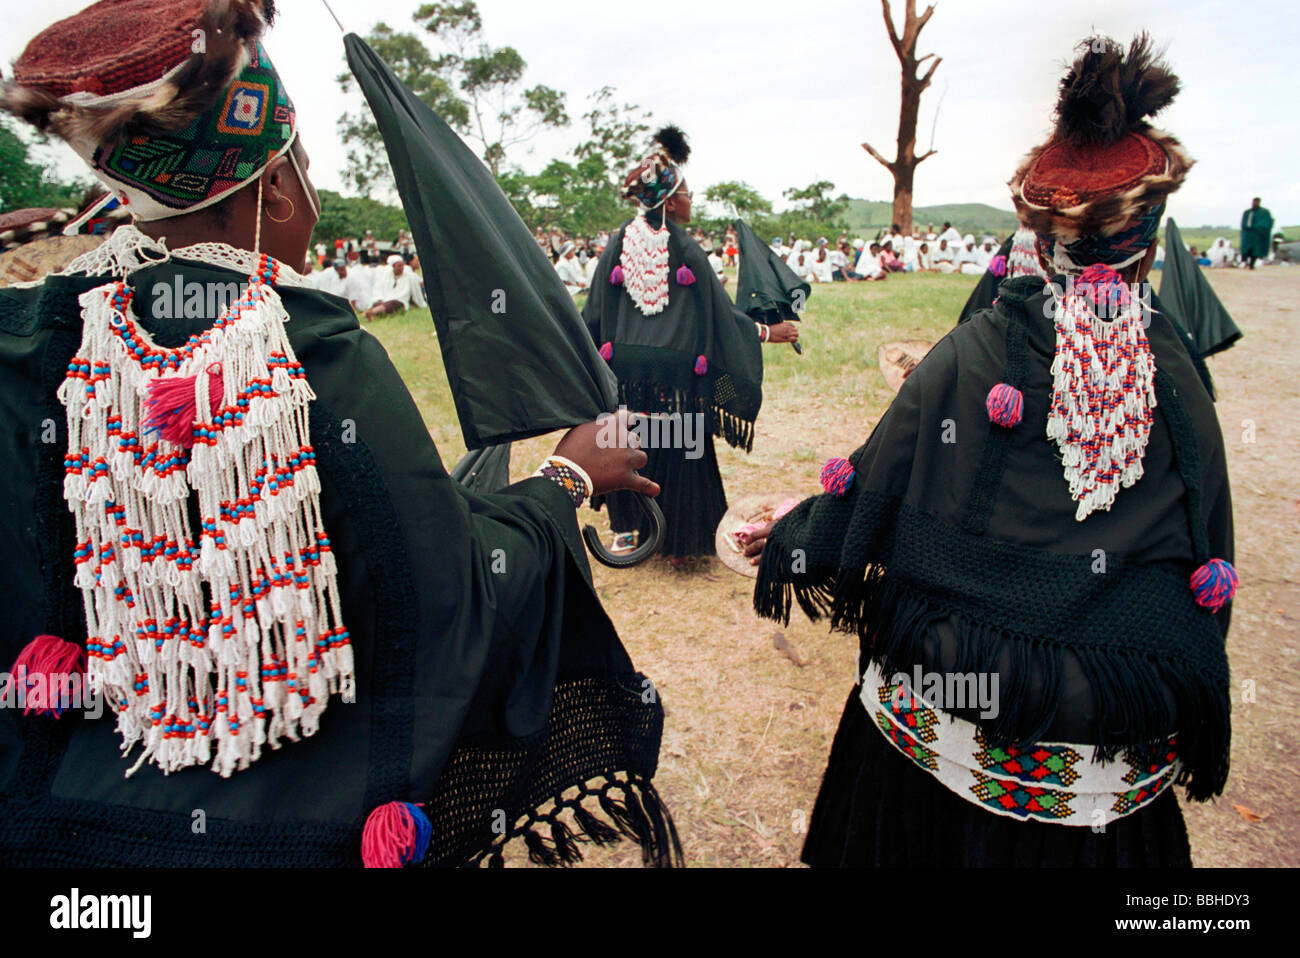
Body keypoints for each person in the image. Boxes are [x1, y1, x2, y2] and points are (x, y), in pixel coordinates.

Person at [0, 0, 680, 869]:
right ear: (277, 186)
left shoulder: (27, 339)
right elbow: (448, 595)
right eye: (306, 169)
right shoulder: (309, 349)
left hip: (57, 828)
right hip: (292, 838)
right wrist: (565, 480)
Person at [742, 33, 1232, 869]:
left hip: (944, 755)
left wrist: (796, 530)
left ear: (1038, 236)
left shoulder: (973, 355)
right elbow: (1209, 556)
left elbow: (873, 496)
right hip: (1108, 776)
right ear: (1149, 242)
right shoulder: (1178, 372)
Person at [582, 126, 796, 564]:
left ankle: (627, 530)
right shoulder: (686, 248)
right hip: (677, 375)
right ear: (670, 200)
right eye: (688, 193)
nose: (692, 200)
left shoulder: (615, 245)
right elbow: (719, 315)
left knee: (627, 437)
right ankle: (682, 544)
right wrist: (766, 332)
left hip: (625, 369)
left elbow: (594, 313)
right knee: (683, 441)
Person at [363, 254, 427, 319]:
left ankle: (372, 312)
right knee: (377, 303)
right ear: (393, 267)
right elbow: (379, 290)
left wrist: (421, 303)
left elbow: (416, 292)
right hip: (385, 299)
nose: (401, 268)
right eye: (399, 266)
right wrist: (380, 298)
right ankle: (373, 313)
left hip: (399, 301)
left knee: (392, 304)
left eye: (402, 265)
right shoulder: (386, 276)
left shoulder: (409, 276)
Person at [1240, 197, 1273, 269]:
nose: (1254, 204)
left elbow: (1266, 223)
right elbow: (1243, 223)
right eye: (1253, 202)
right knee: (1245, 250)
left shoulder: (1264, 212)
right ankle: (1245, 262)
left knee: (1255, 251)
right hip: (1247, 234)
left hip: (1257, 235)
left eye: (1256, 202)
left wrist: (1257, 227)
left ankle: (1252, 264)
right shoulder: (1248, 212)